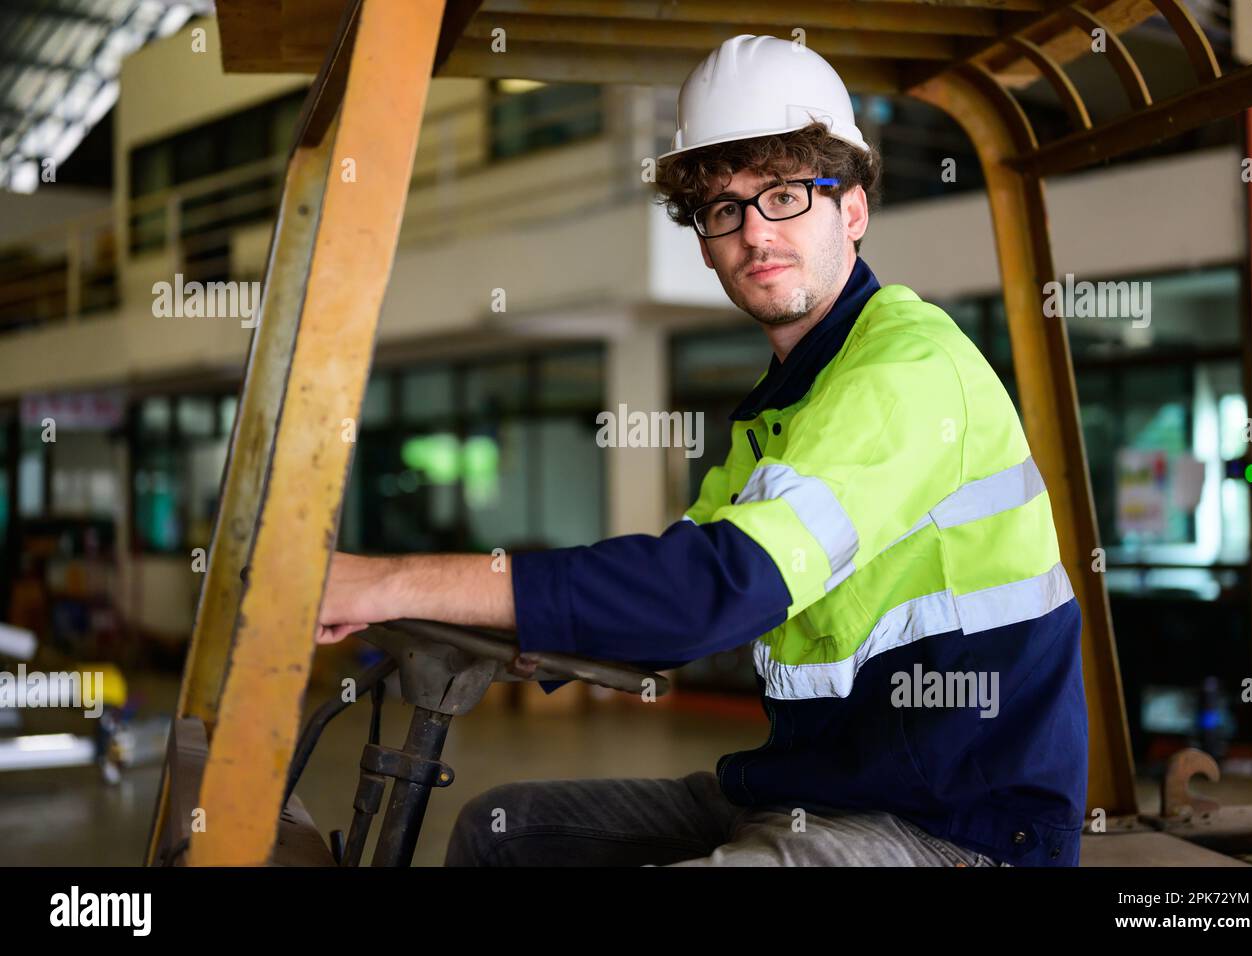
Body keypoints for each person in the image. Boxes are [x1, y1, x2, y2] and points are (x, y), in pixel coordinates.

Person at [316, 34, 1087, 867]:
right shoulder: (784, 409)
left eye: (784, 194)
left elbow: (709, 594)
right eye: (724, 208)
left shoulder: (906, 367)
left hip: (953, 827)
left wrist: (386, 575)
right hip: (815, 791)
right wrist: (442, 612)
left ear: (852, 209)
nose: (755, 233)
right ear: (704, 237)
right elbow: (662, 603)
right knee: (505, 830)